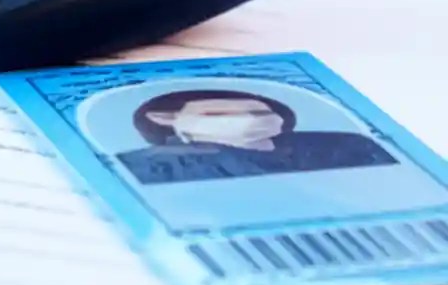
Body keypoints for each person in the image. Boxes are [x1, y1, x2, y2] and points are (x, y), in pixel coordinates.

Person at [116, 89, 396, 185]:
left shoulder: (349, 146)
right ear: (168, 121)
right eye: (215, 116)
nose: (250, 120)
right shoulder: (143, 165)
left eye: (260, 113)